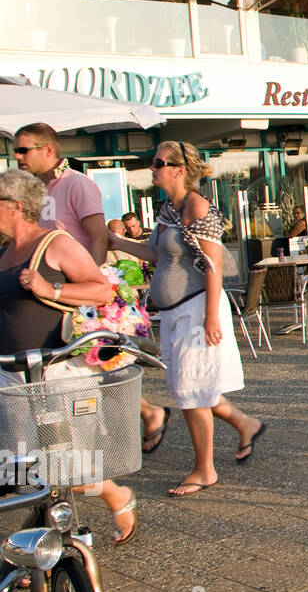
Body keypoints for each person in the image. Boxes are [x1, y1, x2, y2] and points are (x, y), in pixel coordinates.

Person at [108, 142, 264, 497]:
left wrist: (211, 318)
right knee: (187, 388)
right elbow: (153, 253)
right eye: (153, 162)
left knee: (192, 392)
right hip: (175, 311)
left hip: (196, 307)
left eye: (160, 163)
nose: (153, 168)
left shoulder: (197, 205)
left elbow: (214, 266)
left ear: (179, 170)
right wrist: (115, 240)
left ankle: (204, 469)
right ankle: (245, 426)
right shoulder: (168, 209)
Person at [0, 169, 140, 543]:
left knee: (65, 465)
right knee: (23, 467)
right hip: (11, 374)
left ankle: (112, 494)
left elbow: (100, 290)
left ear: (15, 207)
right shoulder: (2, 252)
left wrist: (51, 287)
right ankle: (42, 544)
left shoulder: (55, 243)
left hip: (53, 374)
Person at [14, 122, 108, 264]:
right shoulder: (29, 189)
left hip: (75, 277)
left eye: (23, 150)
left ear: (48, 150)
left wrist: (94, 281)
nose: (17, 156)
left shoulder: (76, 182)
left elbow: (100, 236)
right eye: (15, 151)